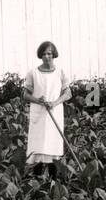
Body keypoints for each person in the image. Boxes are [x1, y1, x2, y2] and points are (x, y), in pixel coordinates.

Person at [21, 40, 72, 179]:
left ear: (54, 54)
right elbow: (25, 94)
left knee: (52, 145)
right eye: (43, 54)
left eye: (49, 53)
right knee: (38, 147)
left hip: (54, 112)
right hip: (39, 113)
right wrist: (38, 100)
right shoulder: (33, 73)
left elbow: (68, 93)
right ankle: (36, 181)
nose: (46, 56)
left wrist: (54, 103)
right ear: (40, 56)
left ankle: (53, 181)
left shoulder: (60, 72)